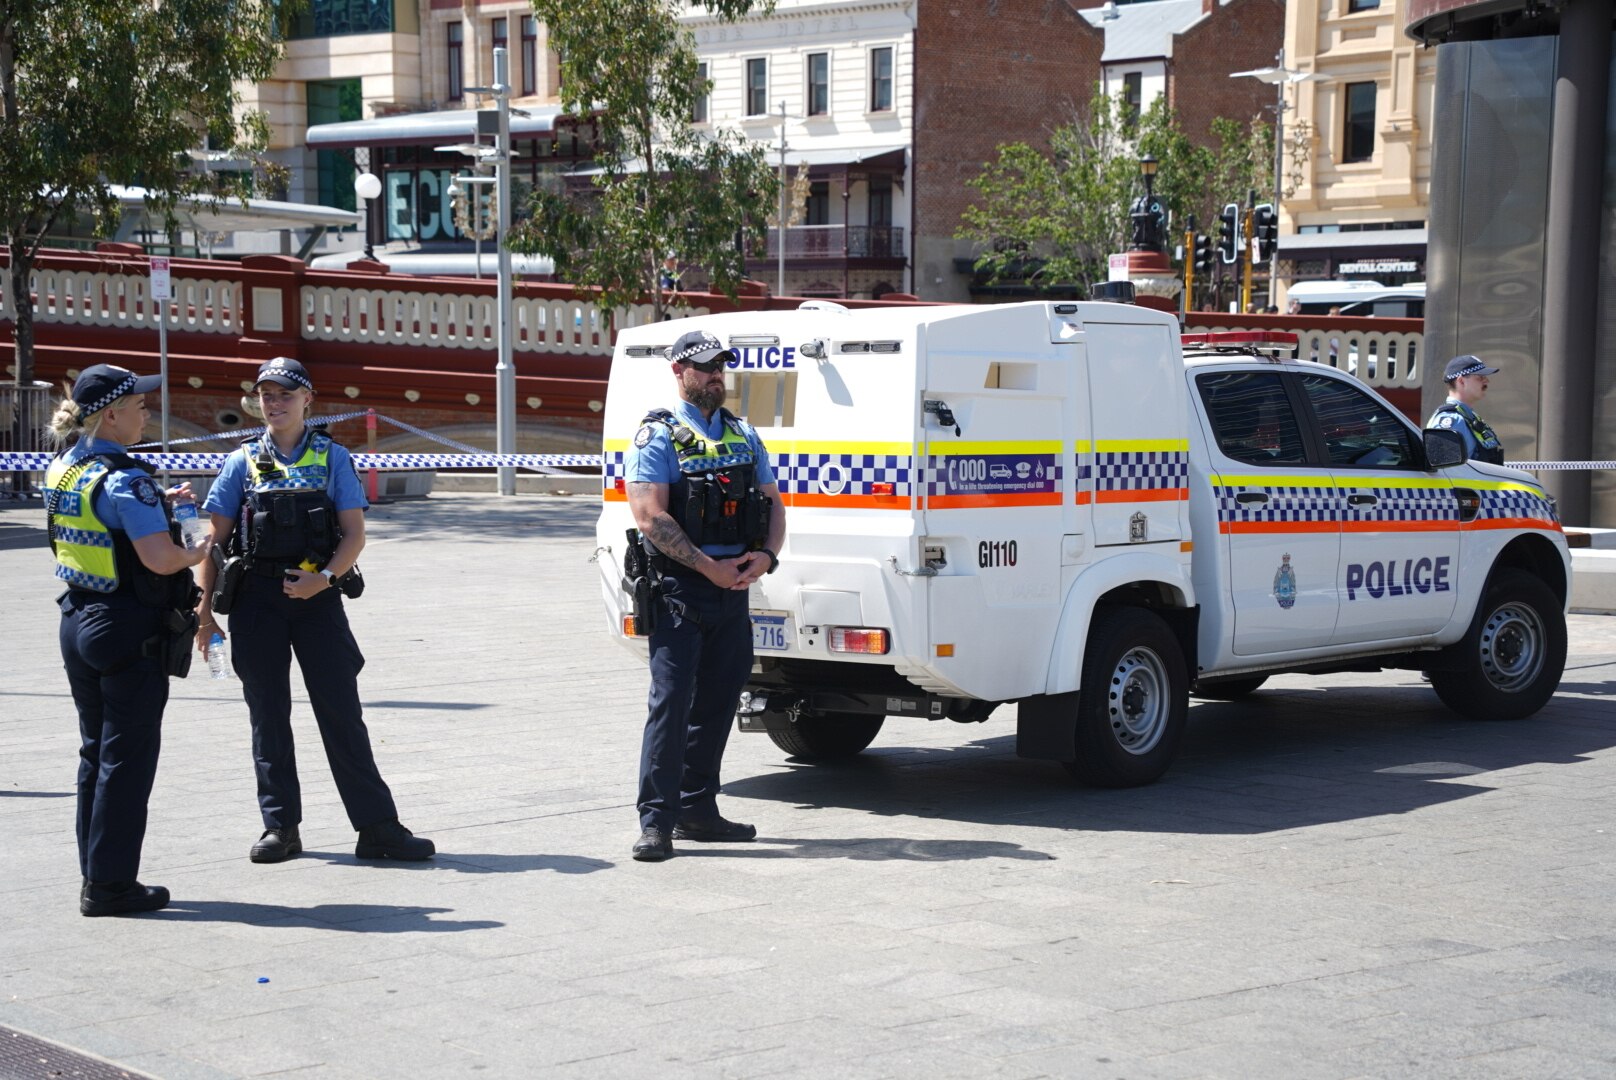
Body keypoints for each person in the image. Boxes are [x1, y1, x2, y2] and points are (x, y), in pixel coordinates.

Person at [196, 357, 434, 864]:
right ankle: (280, 827)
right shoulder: (240, 462)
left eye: (285, 394)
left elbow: (353, 533)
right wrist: (203, 615)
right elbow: (210, 542)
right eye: (266, 395)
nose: (274, 403)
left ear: (308, 400)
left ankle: (377, 828)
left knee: (342, 713)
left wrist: (322, 580)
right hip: (257, 601)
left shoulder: (331, 457)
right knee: (268, 717)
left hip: (317, 598)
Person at [45, 365, 213, 916]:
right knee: (127, 761)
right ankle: (112, 887)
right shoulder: (127, 477)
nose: (147, 411)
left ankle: (96, 872)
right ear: (111, 414)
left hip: (78, 616)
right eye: (138, 404)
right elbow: (161, 559)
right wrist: (200, 546)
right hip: (126, 628)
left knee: (95, 754)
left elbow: (106, 525)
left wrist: (164, 506)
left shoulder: (65, 468)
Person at [624, 330, 787, 862]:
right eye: (704, 366)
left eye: (721, 365)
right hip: (680, 589)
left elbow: (772, 504)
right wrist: (706, 567)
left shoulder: (743, 432)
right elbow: (650, 515)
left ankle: (698, 808)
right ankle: (656, 823)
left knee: (718, 704)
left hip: (734, 589)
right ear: (679, 371)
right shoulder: (659, 435)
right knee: (671, 706)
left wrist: (764, 557)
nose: (715, 374)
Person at [1427, 354, 1504, 464]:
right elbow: (1444, 470)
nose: (1487, 381)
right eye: (1480, 377)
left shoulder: (1467, 417)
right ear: (1461, 381)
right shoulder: (1452, 421)